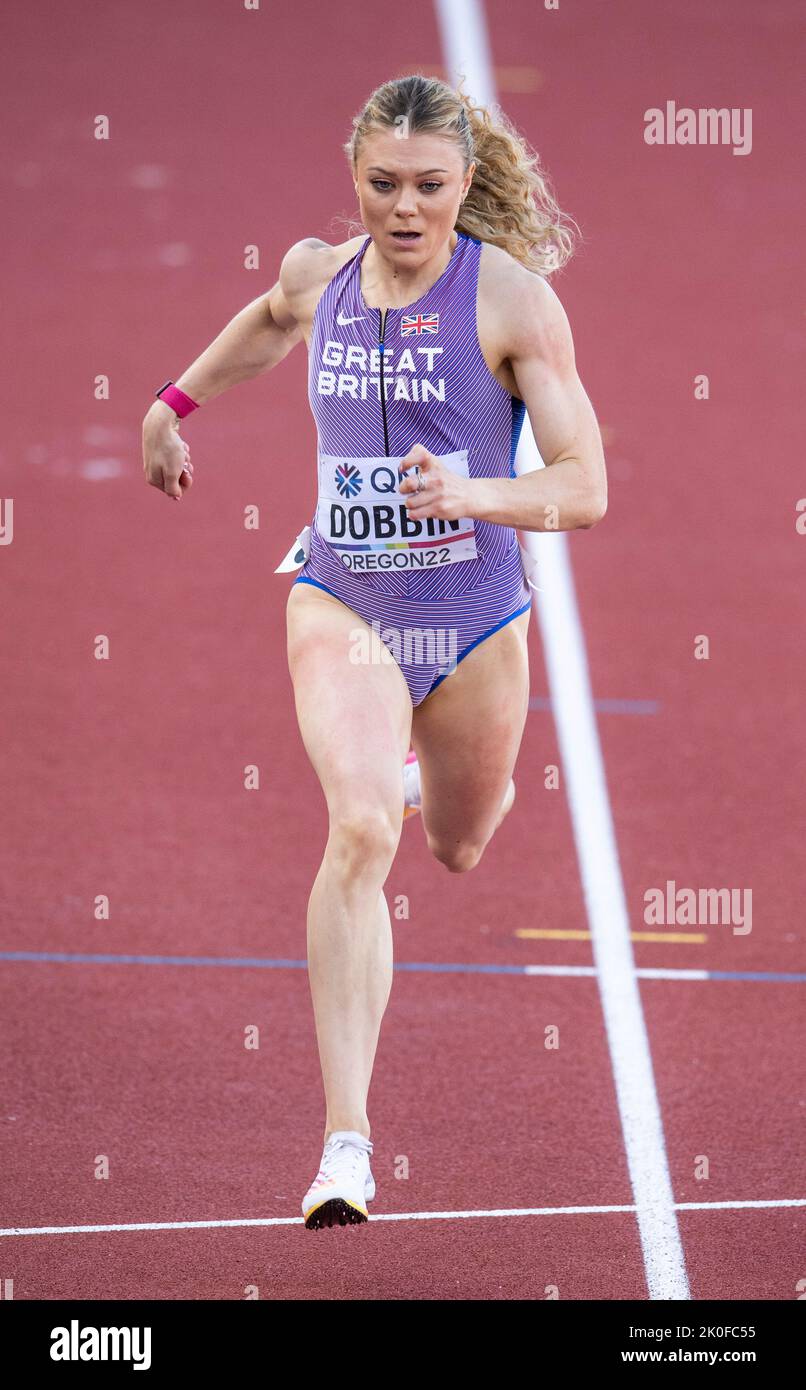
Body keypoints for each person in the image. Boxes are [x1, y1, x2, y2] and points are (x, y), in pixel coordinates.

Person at [142, 74, 607, 1231]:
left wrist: (473, 489)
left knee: (455, 843)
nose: (405, 209)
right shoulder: (321, 274)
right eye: (383, 184)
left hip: (473, 616)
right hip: (341, 597)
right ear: (353, 174)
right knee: (357, 830)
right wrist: (170, 406)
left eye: (431, 188)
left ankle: (412, 780)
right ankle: (343, 1142)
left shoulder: (512, 304)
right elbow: (266, 319)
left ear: (463, 185)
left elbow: (584, 487)